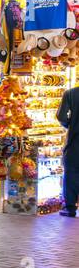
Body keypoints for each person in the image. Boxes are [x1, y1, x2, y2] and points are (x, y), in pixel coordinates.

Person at [57, 85, 79, 217]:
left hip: (75, 140)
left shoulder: (71, 93)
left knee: (71, 173)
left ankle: (70, 207)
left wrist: (71, 125)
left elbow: (62, 117)